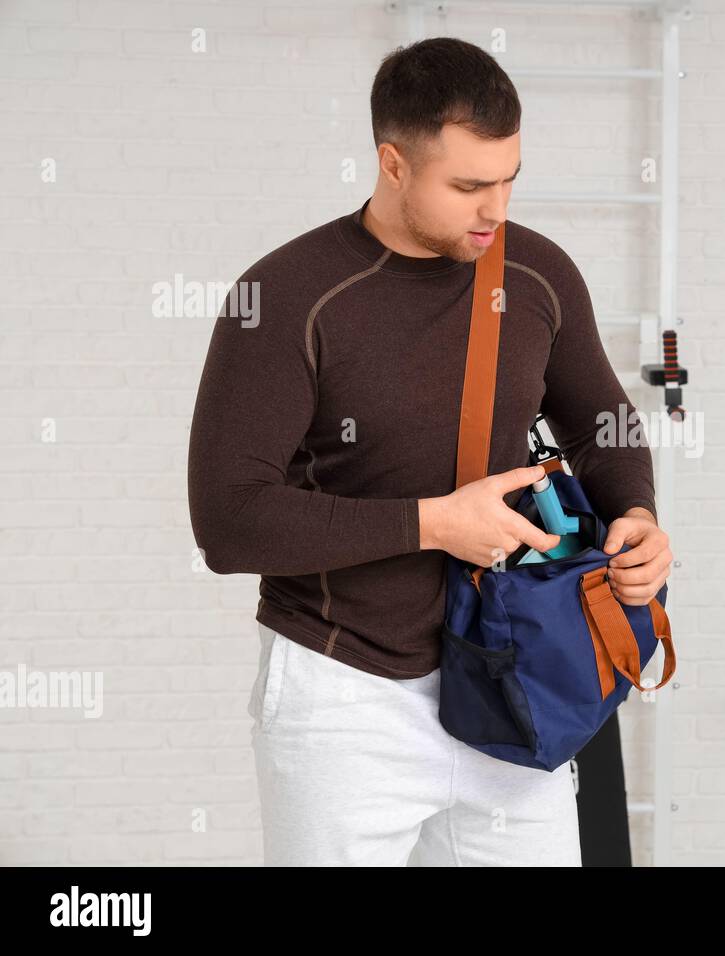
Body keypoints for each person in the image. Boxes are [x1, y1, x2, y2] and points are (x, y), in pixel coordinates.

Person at [186, 37, 673, 866]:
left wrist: (637, 518)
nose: (496, 209)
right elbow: (229, 523)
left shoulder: (540, 275)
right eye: (469, 186)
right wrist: (433, 524)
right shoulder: (286, 298)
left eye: (510, 178)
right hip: (344, 696)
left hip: (512, 678)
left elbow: (605, 429)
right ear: (394, 164)